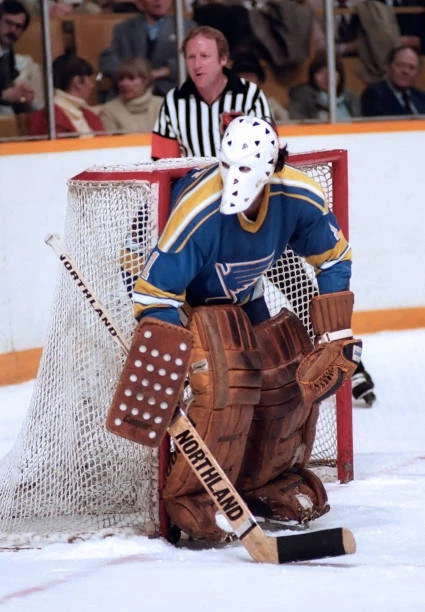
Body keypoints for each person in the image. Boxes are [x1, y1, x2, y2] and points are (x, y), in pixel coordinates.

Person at [128, 115, 362, 541]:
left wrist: (333, 335)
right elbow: (153, 295)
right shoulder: (198, 211)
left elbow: (334, 258)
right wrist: (169, 357)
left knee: (288, 376)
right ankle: (194, 498)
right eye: (228, 167)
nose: (236, 181)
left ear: (273, 168)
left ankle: (261, 484)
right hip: (178, 301)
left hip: (239, 298)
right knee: (228, 380)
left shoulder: (298, 195)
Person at [151, 25, 271, 159]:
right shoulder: (173, 100)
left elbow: (269, 152)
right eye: (191, 57)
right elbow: (162, 163)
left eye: (204, 56)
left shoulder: (251, 96)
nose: (197, 65)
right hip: (194, 180)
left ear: (223, 59)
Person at [99, 0, 196, 99]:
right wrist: (130, 75)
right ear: (140, 3)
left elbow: (193, 58)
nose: (158, 1)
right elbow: (108, 59)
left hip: (169, 88)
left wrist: (163, 71)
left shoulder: (186, 26)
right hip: (129, 91)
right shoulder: (123, 28)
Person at [27, 54, 105, 137]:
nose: (92, 86)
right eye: (89, 79)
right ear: (77, 82)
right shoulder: (43, 119)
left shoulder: (90, 115)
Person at [288, 51, 361, 121]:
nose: (327, 77)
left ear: (340, 75)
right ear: (312, 76)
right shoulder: (302, 96)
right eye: (320, 72)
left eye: (331, 71)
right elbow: (298, 122)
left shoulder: (350, 97)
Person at [99, 57, 162, 133]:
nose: (124, 84)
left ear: (145, 80)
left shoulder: (162, 106)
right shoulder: (109, 110)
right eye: (121, 79)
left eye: (131, 78)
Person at [361, 45, 425, 117]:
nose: (406, 71)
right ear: (388, 67)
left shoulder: (421, 97)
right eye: (400, 65)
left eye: (411, 68)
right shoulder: (374, 94)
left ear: (418, 73)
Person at [0, 0, 36, 115]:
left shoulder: (7, 49)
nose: (12, 30)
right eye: (8, 23)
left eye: (18, 26)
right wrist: (4, 95)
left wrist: (20, 92)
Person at [231, 54, 289, 124]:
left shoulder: (271, 106)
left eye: (250, 76)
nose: (246, 81)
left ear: (260, 81)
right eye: (241, 77)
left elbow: (287, 127)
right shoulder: (226, 106)